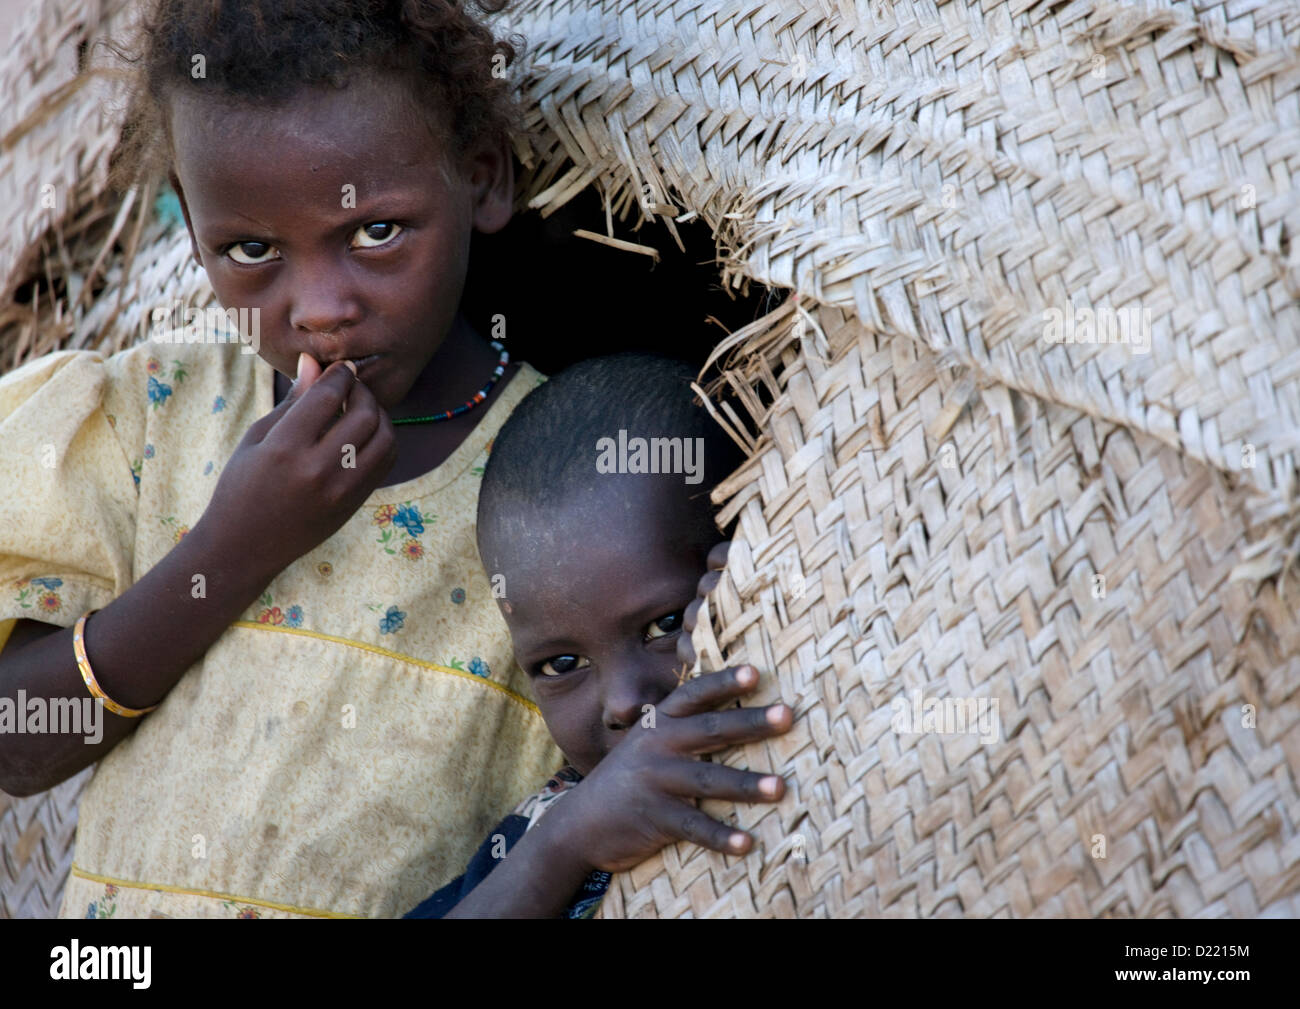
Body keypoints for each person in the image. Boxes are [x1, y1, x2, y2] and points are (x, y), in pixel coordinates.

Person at [0, 0, 789, 919]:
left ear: (482, 179)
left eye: (375, 233)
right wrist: (232, 547)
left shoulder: (564, 483)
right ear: (193, 226)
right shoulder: (148, 419)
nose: (322, 306)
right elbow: (22, 743)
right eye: (250, 250)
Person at [406, 354, 792, 918]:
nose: (623, 702)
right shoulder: (549, 832)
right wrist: (565, 845)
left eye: (663, 626)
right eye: (562, 665)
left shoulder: (823, 730)